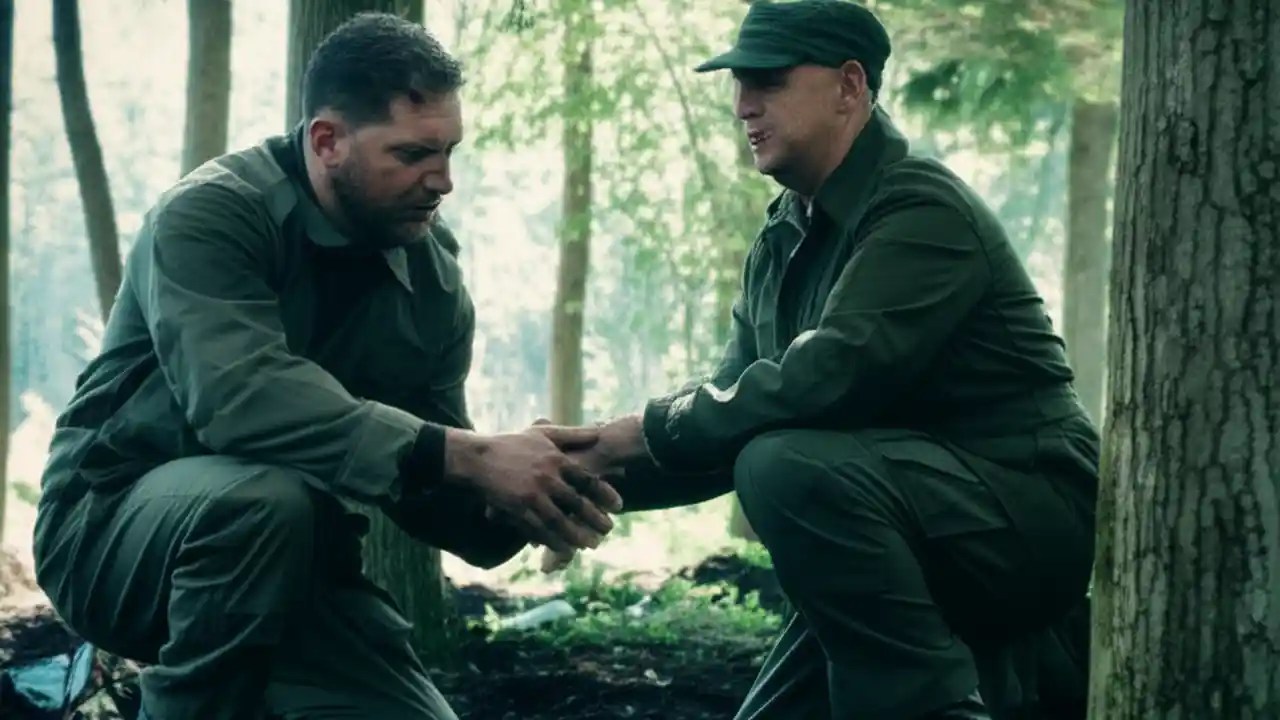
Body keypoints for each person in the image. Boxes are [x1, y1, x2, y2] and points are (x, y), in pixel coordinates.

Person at [31, 13, 622, 720]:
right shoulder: (213, 215)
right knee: (263, 504)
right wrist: (467, 456)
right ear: (326, 140)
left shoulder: (431, 275)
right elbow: (241, 401)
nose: (443, 181)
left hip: (296, 558)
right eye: (413, 154)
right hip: (111, 537)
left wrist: (535, 489)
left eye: (450, 151)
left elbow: (428, 475)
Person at [551, 2, 1099, 719]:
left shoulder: (921, 210)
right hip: (892, 525)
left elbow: (824, 378)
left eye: (769, 82)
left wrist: (634, 433)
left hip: (1026, 518)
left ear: (850, 86)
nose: (743, 106)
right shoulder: (783, 232)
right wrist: (575, 473)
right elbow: (730, 407)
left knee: (783, 463)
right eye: (738, 84)